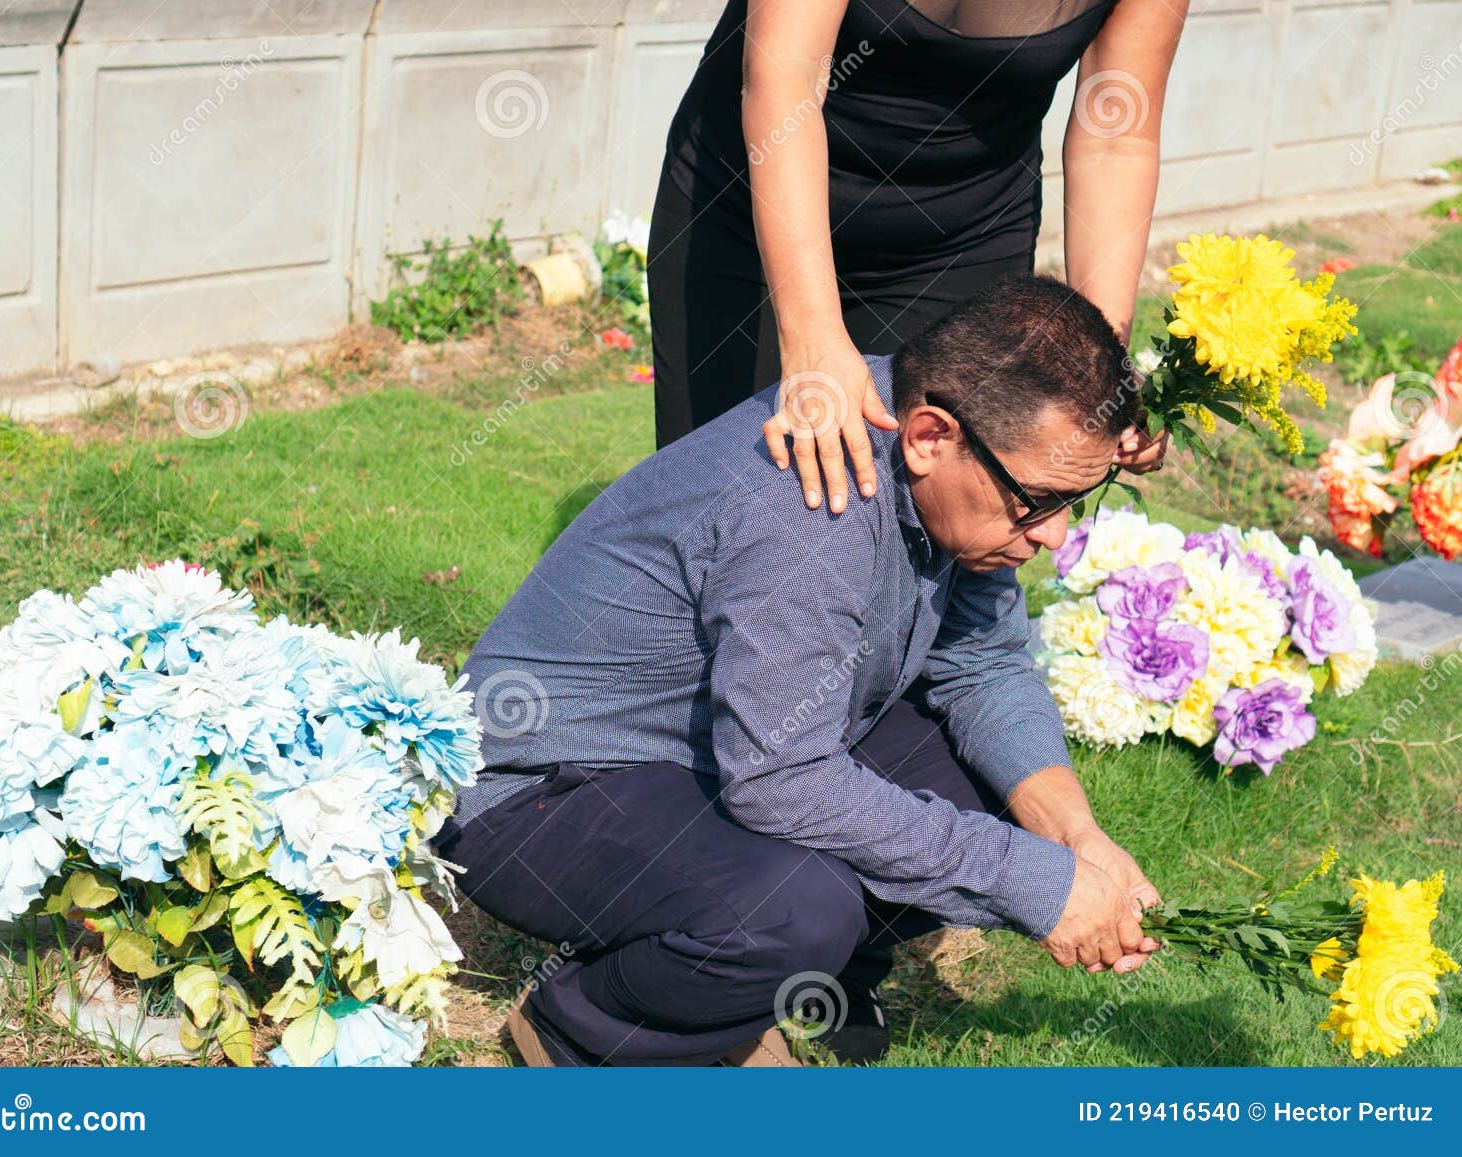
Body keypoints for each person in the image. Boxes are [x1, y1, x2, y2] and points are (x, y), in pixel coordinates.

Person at [435, 276, 1162, 1067]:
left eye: (1073, 504)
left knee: (1003, 781)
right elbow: (779, 779)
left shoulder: (959, 462)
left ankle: (808, 977)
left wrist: (1073, 839)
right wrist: (1030, 879)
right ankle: (587, 1024)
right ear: (929, 435)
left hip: (716, 749)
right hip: (542, 790)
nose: (1053, 536)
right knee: (794, 909)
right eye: (1037, 501)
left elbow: (983, 662)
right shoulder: (815, 507)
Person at [648, 0, 1187, 512]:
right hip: (752, 213)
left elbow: (1118, 140)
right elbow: (785, 83)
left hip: (965, 239)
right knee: (720, 500)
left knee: (926, 519)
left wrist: (1100, 371)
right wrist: (813, 336)